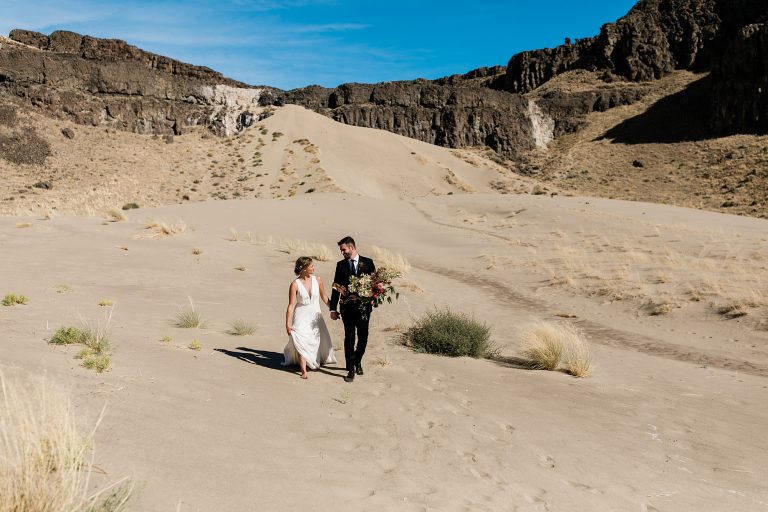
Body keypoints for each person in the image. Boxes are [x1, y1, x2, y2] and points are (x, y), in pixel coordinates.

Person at [329, 236, 376, 383]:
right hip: (347, 309)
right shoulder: (340, 265)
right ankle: (350, 369)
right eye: (341, 250)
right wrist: (333, 308)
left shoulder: (368, 263)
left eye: (343, 249)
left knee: (363, 337)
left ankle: (357, 360)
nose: (342, 252)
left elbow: (375, 284)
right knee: (349, 338)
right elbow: (336, 287)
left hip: (363, 309)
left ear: (351, 247)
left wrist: (374, 295)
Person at [283, 257, 336, 379]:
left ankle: (313, 360)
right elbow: (290, 306)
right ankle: (303, 371)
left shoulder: (318, 280)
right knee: (302, 340)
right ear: (304, 268)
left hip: (315, 315)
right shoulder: (294, 285)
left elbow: (324, 297)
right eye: (311, 266)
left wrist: (333, 309)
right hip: (301, 316)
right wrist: (288, 324)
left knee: (314, 340)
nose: (314, 268)